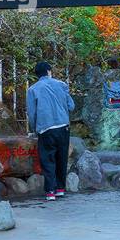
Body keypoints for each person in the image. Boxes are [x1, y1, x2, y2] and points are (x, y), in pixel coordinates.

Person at [26, 61, 75, 201]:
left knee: (48, 160)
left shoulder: (33, 90)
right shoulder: (61, 85)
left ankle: (50, 192)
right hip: (63, 127)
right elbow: (71, 106)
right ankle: (60, 189)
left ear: (37, 75)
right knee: (62, 158)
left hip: (46, 129)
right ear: (49, 71)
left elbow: (32, 113)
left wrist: (34, 129)